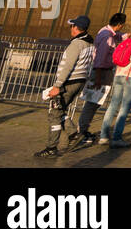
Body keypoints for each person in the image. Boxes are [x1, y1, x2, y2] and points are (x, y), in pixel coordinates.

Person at [34, 15, 94, 158]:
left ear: (76, 28)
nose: (70, 28)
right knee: (60, 110)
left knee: (54, 113)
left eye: (71, 26)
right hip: (79, 81)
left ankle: (51, 147)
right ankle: (73, 134)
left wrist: (57, 85)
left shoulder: (76, 44)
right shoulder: (90, 44)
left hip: (68, 82)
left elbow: (68, 65)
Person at [70, 11, 126, 148]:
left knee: (93, 102)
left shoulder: (105, 31)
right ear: (119, 25)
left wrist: (126, 36)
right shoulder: (107, 37)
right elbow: (100, 59)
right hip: (101, 72)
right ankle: (81, 131)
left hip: (100, 71)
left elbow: (117, 36)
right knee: (92, 103)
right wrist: (98, 78)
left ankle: (82, 129)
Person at [101, 17, 131, 148]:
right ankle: (117, 138)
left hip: (119, 74)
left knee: (113, 105)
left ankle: (104, 136)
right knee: (124, 108)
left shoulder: (129, 38)